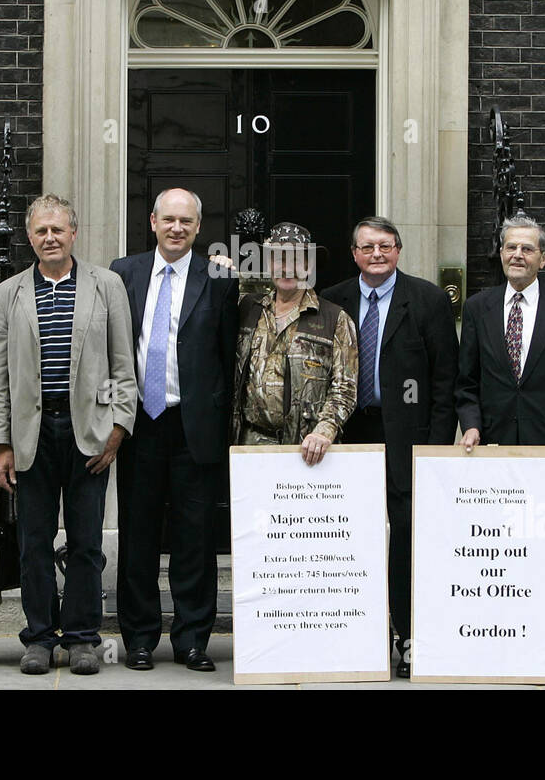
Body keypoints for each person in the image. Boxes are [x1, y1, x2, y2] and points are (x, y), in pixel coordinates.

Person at [0, 193, 137, 676]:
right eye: (40, 231)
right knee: (34, 541)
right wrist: (2, 442)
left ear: (74, 233)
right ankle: (38, 637)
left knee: (86, 542)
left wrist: (117, 426)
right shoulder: (9, 293)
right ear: (30, 238)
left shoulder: (107, 286)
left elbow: (121, 364)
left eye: (58, 229)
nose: (49, 238)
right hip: (32, 432)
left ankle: (81, 638)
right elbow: (1, 377)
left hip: (88, 433)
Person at [322, 216, 458, 678]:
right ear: (354, 253)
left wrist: (436, 449)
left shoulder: (428, 300)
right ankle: (358, 636)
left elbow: (444, 382)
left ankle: (410, 636)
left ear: (398, 249)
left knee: (406, 539)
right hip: (348, 435)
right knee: (350, 538)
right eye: (366, 247)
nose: (376, 254)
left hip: (407, 438)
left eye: (385, 246)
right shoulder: (332, 300)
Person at [109, 188, 238, 673]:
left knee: (195, 539)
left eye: (186, 221)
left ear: (199, 227)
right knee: (138, 535)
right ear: (153, 222)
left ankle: (191, 639)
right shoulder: (124, 274)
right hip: (140, 425)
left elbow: (229, 358)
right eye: (169, 220)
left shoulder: (220, 278)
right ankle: (139, 638)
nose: (177, 228)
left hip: (195, 427)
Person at [456, 214, 545, 463]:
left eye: (527, 249)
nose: (517, 255)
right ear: (501, 253)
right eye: (511, 247)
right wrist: (471, 425)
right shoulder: (477, 307)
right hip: (491, 442)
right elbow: (466, 381)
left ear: (543, 259)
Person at [232, 222, 357, 465]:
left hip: (308, 453)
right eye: (279, 258)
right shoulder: (247, 310)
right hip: (248, 449)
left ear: (308, 265)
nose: (287, 268)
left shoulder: (335, 319)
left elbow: (345, 389)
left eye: (296, 259)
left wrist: (325, 430)